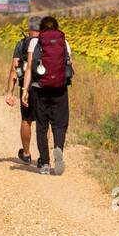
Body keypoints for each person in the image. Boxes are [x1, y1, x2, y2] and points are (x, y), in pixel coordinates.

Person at [21, 16, 74, 175]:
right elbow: (69, 65)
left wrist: (25, 90)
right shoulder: (64, 42)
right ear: (57, 28)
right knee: (59, 124)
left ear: (41, 29)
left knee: (42, 127)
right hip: (59, 90)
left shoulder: (34, 42)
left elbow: (29, 68)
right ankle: (58, 148)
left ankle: (44, 163)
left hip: (39, 89)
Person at [5, 16, 41, 164]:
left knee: (26, 120)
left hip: (27, 88)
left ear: (29, 29)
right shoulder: (49, 43)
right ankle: (43, 158)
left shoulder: (22, 44)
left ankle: (26, 153)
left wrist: (9, 93)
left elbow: (14, 70)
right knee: (43, 123)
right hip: (45, 88)